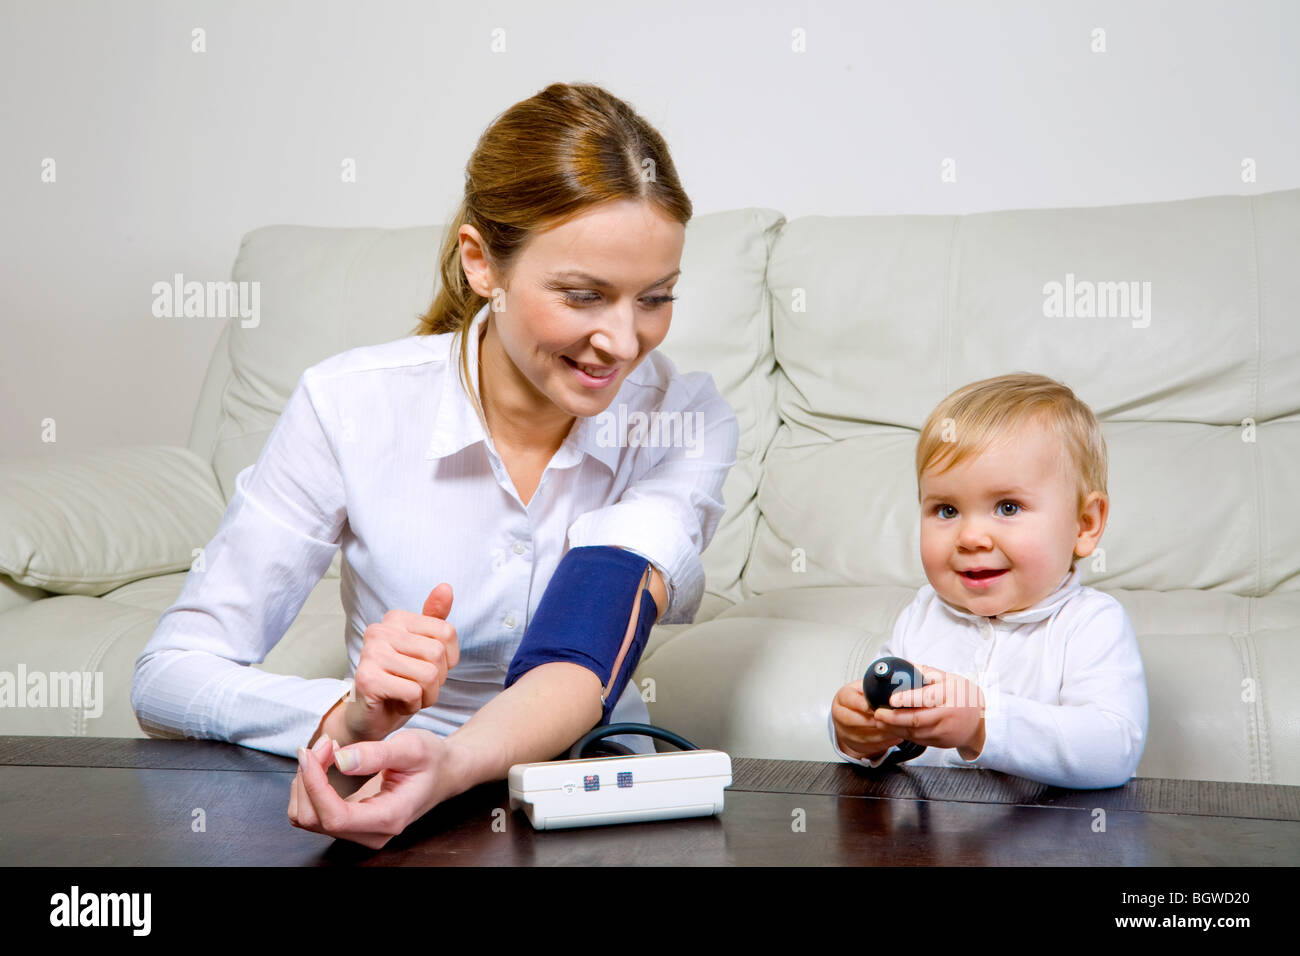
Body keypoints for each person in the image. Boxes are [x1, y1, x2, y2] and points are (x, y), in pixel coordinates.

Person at [131, 82, 739, 848]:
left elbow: (579, 649)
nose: (623, 341)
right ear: (483, 264)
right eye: (583, 296)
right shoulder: (348, 406)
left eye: (655, 297)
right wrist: (348, 715)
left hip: (583, 794)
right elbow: (168, 674)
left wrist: (449, 763)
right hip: (384, 791)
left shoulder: (682, 419)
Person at [828, 373, 1147, 789]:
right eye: (946, 510)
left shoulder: (1090, 623)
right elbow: (897, 745)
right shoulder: (923, 615)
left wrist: (981, 722)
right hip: (932, 847)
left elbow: (1112, 749)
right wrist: (861, 736)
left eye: (1008, 507)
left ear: (1084, 524)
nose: (970, 537)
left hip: (1054, 843)